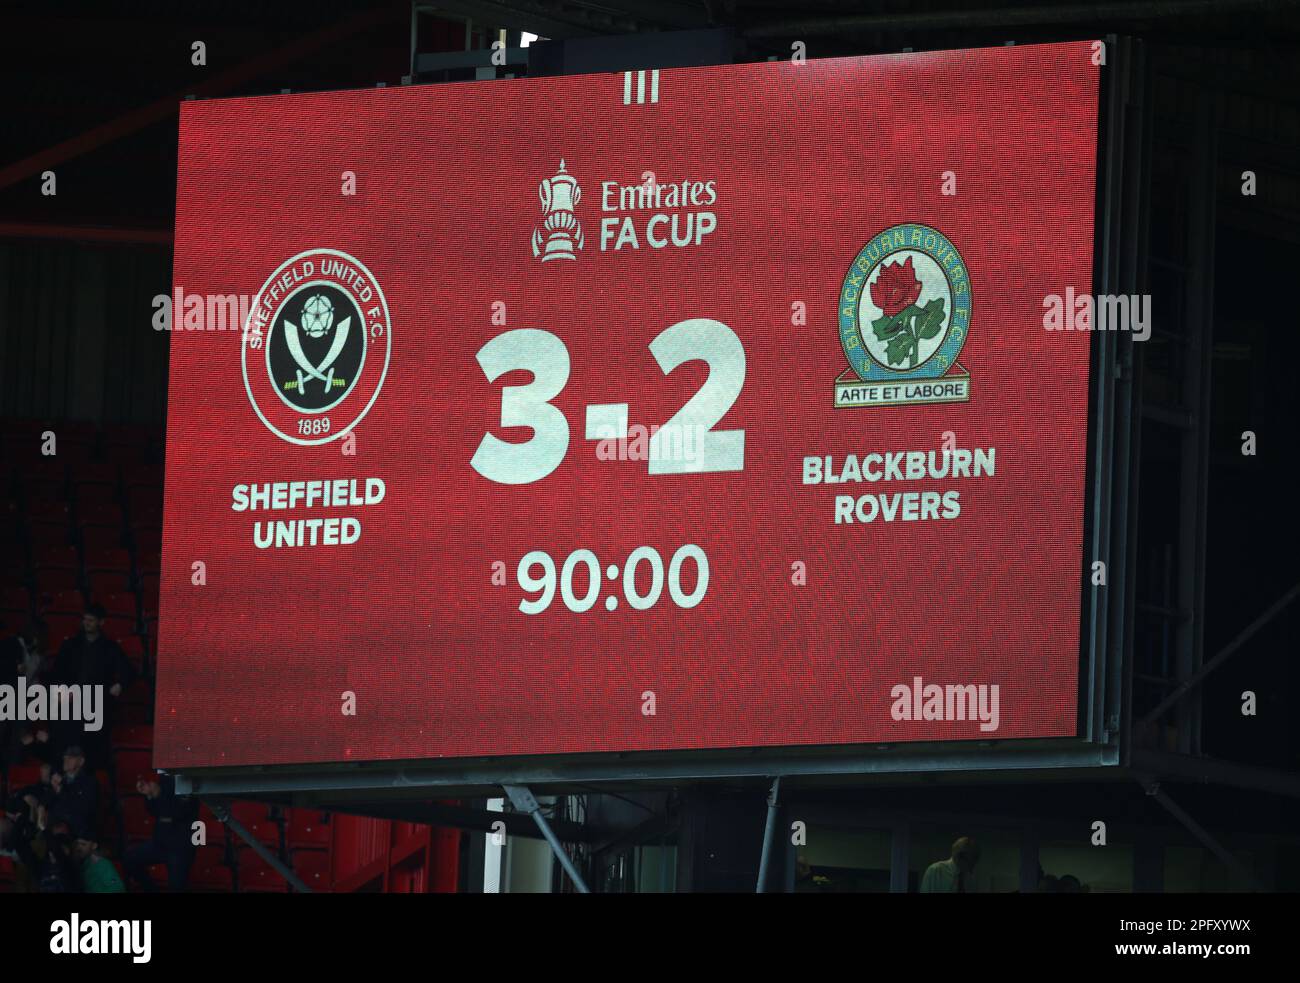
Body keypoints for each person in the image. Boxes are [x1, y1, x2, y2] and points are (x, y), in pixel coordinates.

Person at [52, 604, 136, 770]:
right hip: (71, 704)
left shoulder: (110, 647)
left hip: (97, 705)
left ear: (101, 622)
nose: (86, 623)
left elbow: (129, 671)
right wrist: (61, 690)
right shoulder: (71, 645)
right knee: (67, 746)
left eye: (91, 620)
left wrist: (120, 684)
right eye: (85, 619)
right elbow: (57, 672)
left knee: (93, 751)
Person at [124, 774, 198, 892]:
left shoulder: (188, 777)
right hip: (159, 842)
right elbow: (156, 811)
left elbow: (180, 811)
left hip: (180, 846)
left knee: (176, 887)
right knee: (130, 859)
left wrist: (158, 795)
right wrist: (150, 794)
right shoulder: (165, 776)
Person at [48, 745, 98, 837]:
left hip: (75, 829)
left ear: (81, 761)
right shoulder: (59, 779)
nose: (66, 760)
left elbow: (83, 809)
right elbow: (47, 799)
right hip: (54, 824)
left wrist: (61, 791)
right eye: (65, 757)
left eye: (71, 758)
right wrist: (41, 806)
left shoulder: (88, 782)